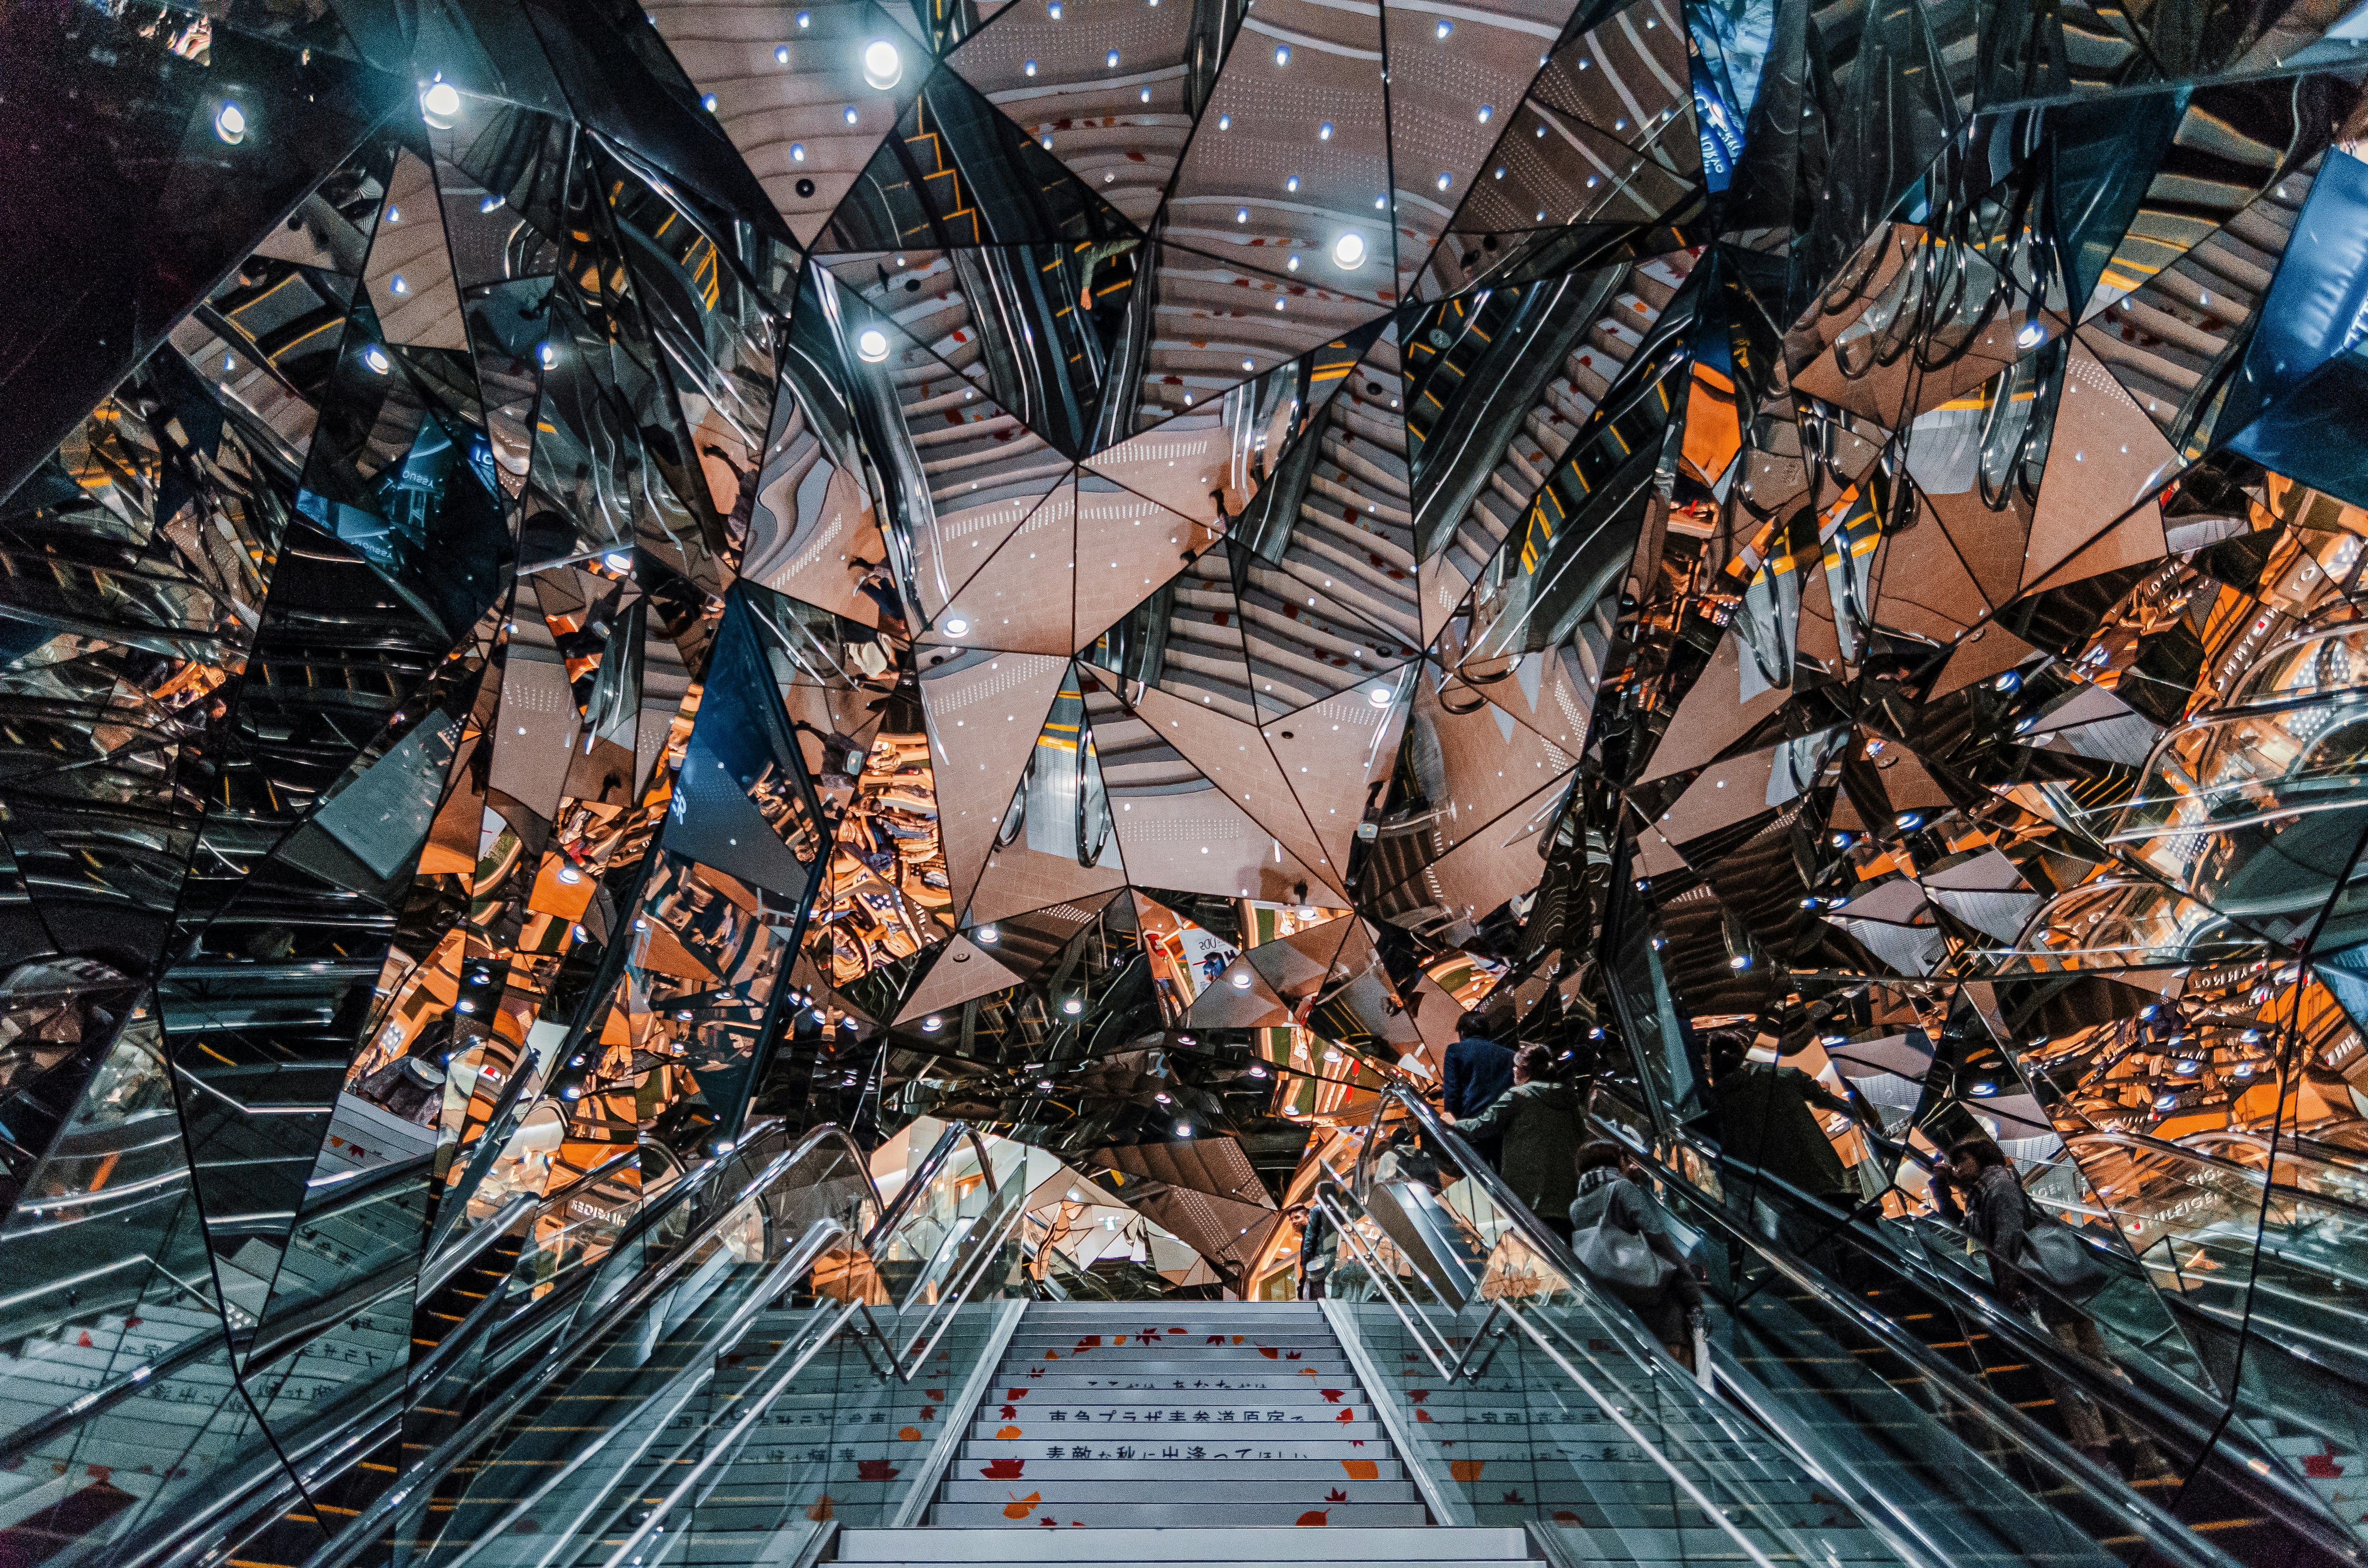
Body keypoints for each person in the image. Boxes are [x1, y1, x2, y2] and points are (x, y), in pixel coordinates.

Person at [1931, 1134, 2171, 1481]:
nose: (1957, 1168)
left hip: (2044, 1292)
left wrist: (2007, 1294)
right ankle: (2145, 1450)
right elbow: (1962, 1228)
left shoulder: (1999, 1190)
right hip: (2059, 1286)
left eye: (1962, 1161)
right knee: (2099, 1366)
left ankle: (2098, 1453)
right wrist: (1942, 1187)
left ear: (1981, 1159)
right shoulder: (1985, 1195)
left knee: (2065, 1370)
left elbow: (2005, 1244)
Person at [1568, 1140, 1705, 1368]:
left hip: (1619, 1310)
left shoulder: (1577, 1207)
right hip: (1660, 1310)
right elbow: (1660, 1243)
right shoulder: (1622, 1189)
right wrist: (1692, 1296)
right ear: (1617, 1162)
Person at [1445, 1043, 1580, 1240]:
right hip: (1568, 1191)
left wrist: (1455, 1123)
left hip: (1532, 1191)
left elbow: (1483, 1126)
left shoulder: (1518, 1096)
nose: (1513, 1071)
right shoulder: (1569, 1098)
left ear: (1526, 1070)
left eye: (1516, 1067)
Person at [1443, 1012, 1515, 1166]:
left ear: (1462, 1032)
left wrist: (1454, 1122)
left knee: (1481, 1177)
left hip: (1472, 1126)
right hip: (1503, 1126)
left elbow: (1452, 1091)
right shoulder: (1509, 1055)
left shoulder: (1455, 1051)